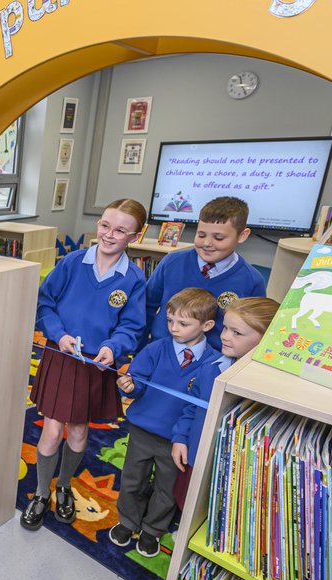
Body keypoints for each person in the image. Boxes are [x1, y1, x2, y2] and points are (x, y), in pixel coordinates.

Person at [22, 198, 148, 532]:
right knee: (51, 429)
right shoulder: (72, 263)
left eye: (120, 230)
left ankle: (63, 486)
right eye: (105, 225)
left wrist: (113, 346)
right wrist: (58, 335)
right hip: (61, 356)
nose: (109, 234)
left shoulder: (134, 279)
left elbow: (133, 327)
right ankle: (39, 492)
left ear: (135, 237)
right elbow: (45, 304)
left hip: (96, 365)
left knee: (78, 430)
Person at [113, 288, 220, 558]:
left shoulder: (213, 362)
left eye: (183, 324)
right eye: (170, 320)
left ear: (206, 325)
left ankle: (152, 529)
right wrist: (129, 386)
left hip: (177, 440)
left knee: (166, 487)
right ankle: (128, 521)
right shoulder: (156, 348)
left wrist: (182, 437)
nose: (174, 328)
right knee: (132, 479)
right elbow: (135, 382)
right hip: (142, 430)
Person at [169, 297, 279, 508]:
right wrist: (181, 437)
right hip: (198, 452)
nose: (225, 337)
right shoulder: (210, 367)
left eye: (236, 333)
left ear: (267, 338)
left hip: (237, 467)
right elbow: (192, 405)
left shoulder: (265, 385)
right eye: (225, 328)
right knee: (188, 499)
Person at [143, 196, 266, 348]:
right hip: (159, 354)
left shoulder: (252, 280)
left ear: (242, 235)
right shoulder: (172, 262)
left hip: (214, 364)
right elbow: (146, 306)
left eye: (219, 238)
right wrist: (138, 351)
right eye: (201, 235)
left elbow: (254, 331)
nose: (207, 243)